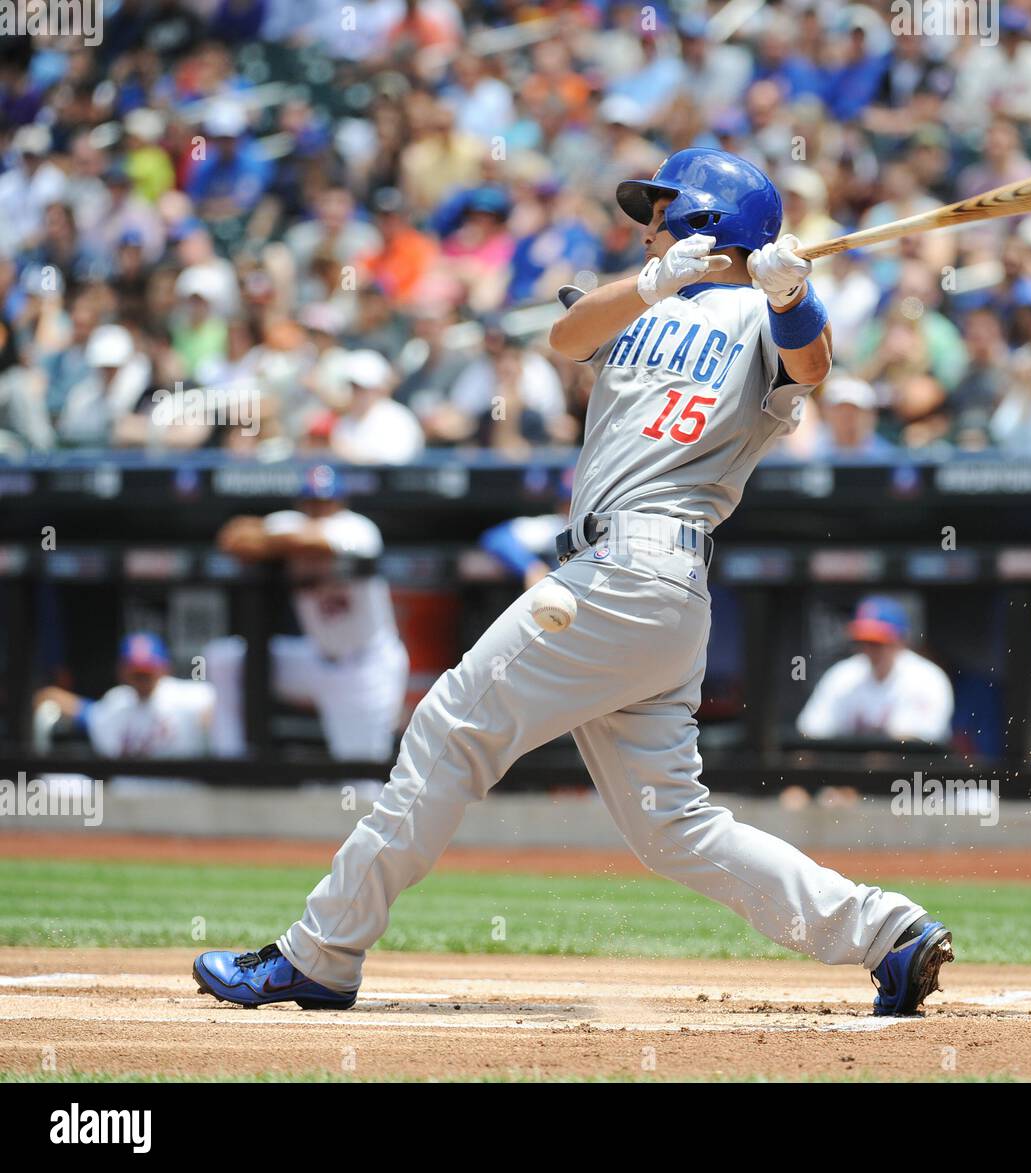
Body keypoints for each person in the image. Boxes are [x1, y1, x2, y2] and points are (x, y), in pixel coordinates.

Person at [194, 149, 953, 1018]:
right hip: (639, 586)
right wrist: (655, 278)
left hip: (634, 567)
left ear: (713, 219)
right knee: (674, 827)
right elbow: (566, 336)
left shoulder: (763, 315)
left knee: (448, 733)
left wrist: (789, 295)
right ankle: (887, 932)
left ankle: (320, 954)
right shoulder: (647, 297)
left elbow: (810, 366)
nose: (650, 226)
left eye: (666, 212)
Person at [204, 466, 410, 762]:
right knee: (224, 660)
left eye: (326, 501)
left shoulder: (358, 527)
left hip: (365, 668)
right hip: (315, 660)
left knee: (359, 781)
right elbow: (232, 537)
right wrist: (277, 539)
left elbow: (315, 543)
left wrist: (270, 542)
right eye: (311, 501)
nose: (318, 508)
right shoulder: (290, 524)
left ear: (341, 502)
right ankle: (232, 761)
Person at [796, 596, 954, 745]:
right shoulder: (842, 676)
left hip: (912, 773)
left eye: (876, 643)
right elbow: (810, 732)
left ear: (900, 641)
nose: (868, 650)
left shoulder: (926, 678)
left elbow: (914, 744)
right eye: (863, 642)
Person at [34, 633, 215, 762]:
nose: (142, 679)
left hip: (180, 799)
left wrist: (213, 720)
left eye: (147, 672)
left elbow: (218, 711)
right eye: (136, 673)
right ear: (122, 672)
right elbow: (86, 712)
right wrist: (46, 696)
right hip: (127, 800)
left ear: (164, 668)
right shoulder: (118, 701)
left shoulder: (191, 695)